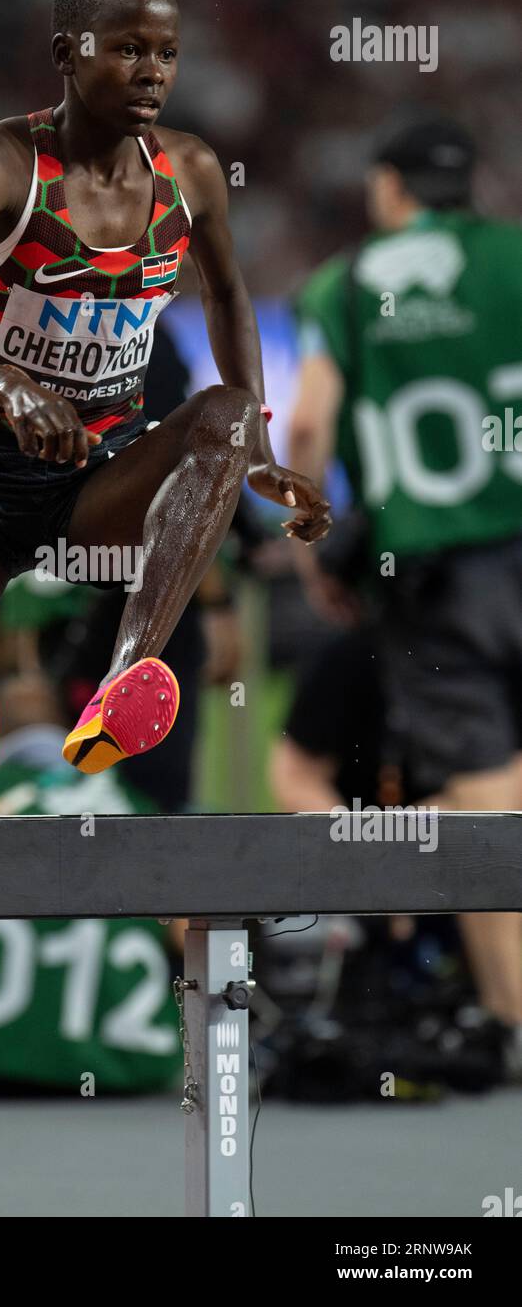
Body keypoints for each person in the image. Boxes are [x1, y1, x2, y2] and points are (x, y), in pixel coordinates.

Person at [0, 0, 329, 786]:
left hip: (106, 482)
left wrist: (261, 458)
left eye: (166, 53)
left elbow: (229, 300)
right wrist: (10, 386)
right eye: (128, 49)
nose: (152, 73)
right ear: (68, 53)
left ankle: (122, 683)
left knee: (231, 414)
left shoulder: (191, 172)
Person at [288, 112, 522, 1068]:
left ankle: (511, 1018)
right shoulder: (513, 259)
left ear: (390, 190)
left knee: (484, 794)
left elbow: (306, 430)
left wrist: (313, 551)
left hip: (435, 577)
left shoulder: (344, 285)